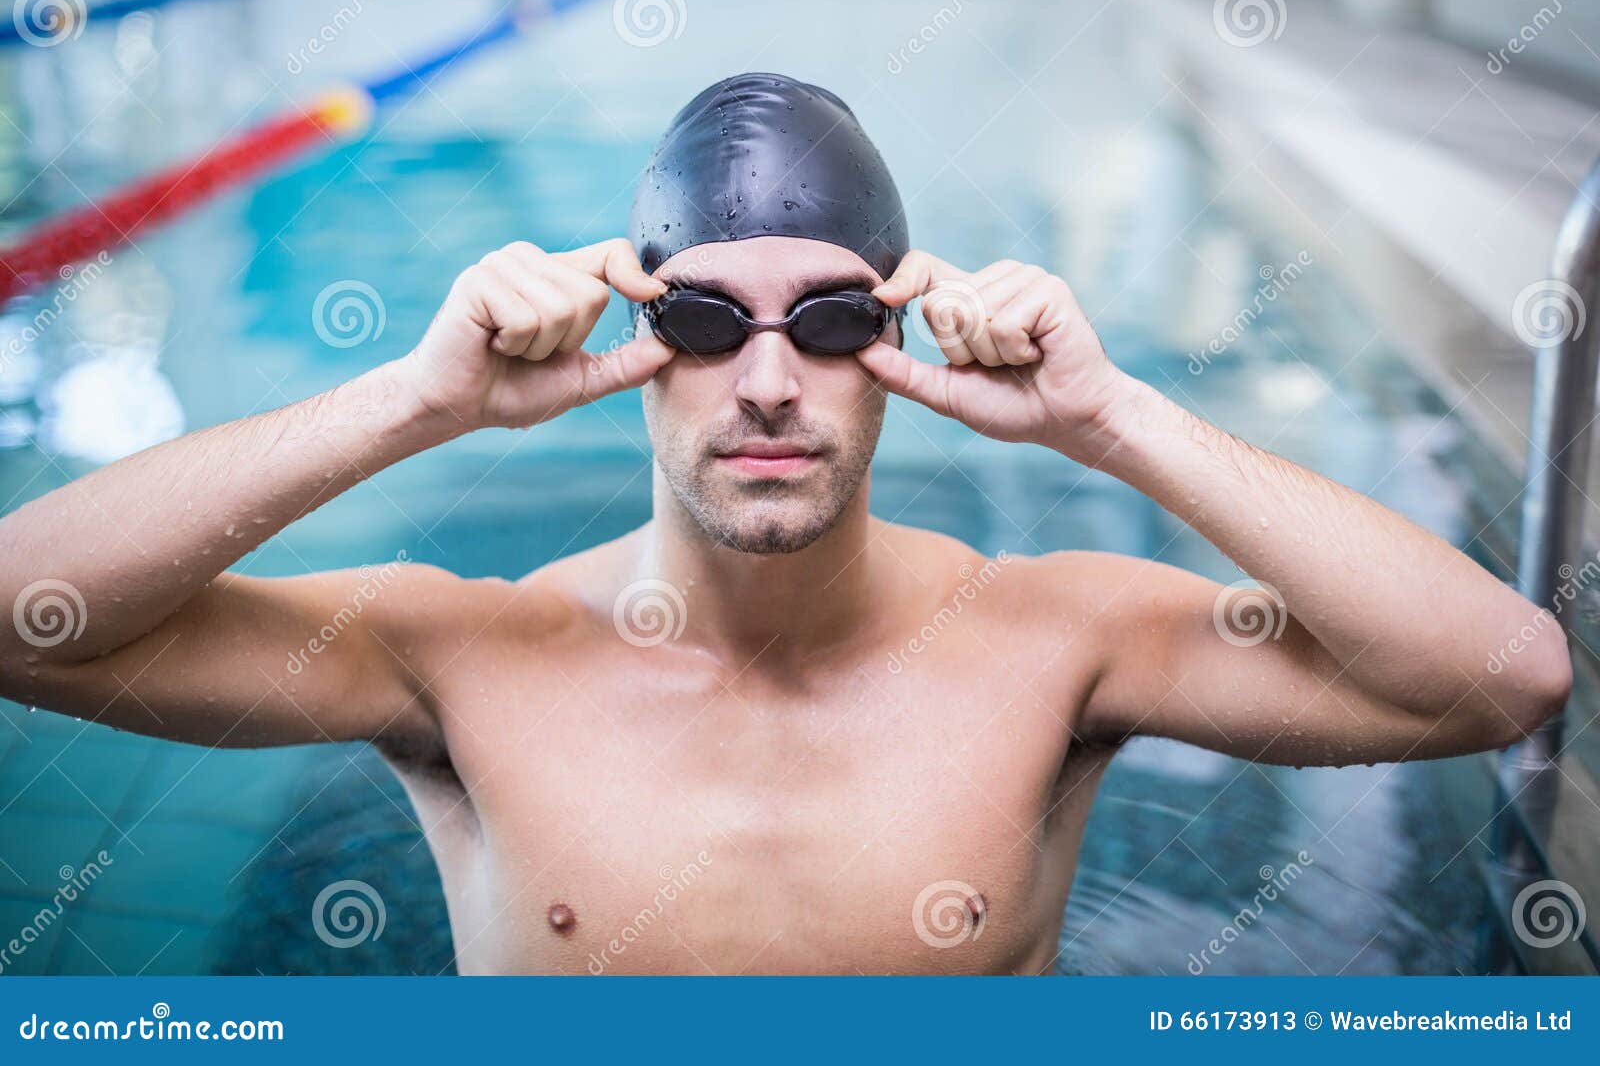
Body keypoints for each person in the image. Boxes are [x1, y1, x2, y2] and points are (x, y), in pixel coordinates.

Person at [0, 74, 1570, 974]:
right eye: (699, 322)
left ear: (902, 342)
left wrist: (1117, 419)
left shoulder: (1051, 640)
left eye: (826, 322)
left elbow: (1504, 672)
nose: (765, 383)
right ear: (630, 335)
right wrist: (414, 404)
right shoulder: (468, 653)